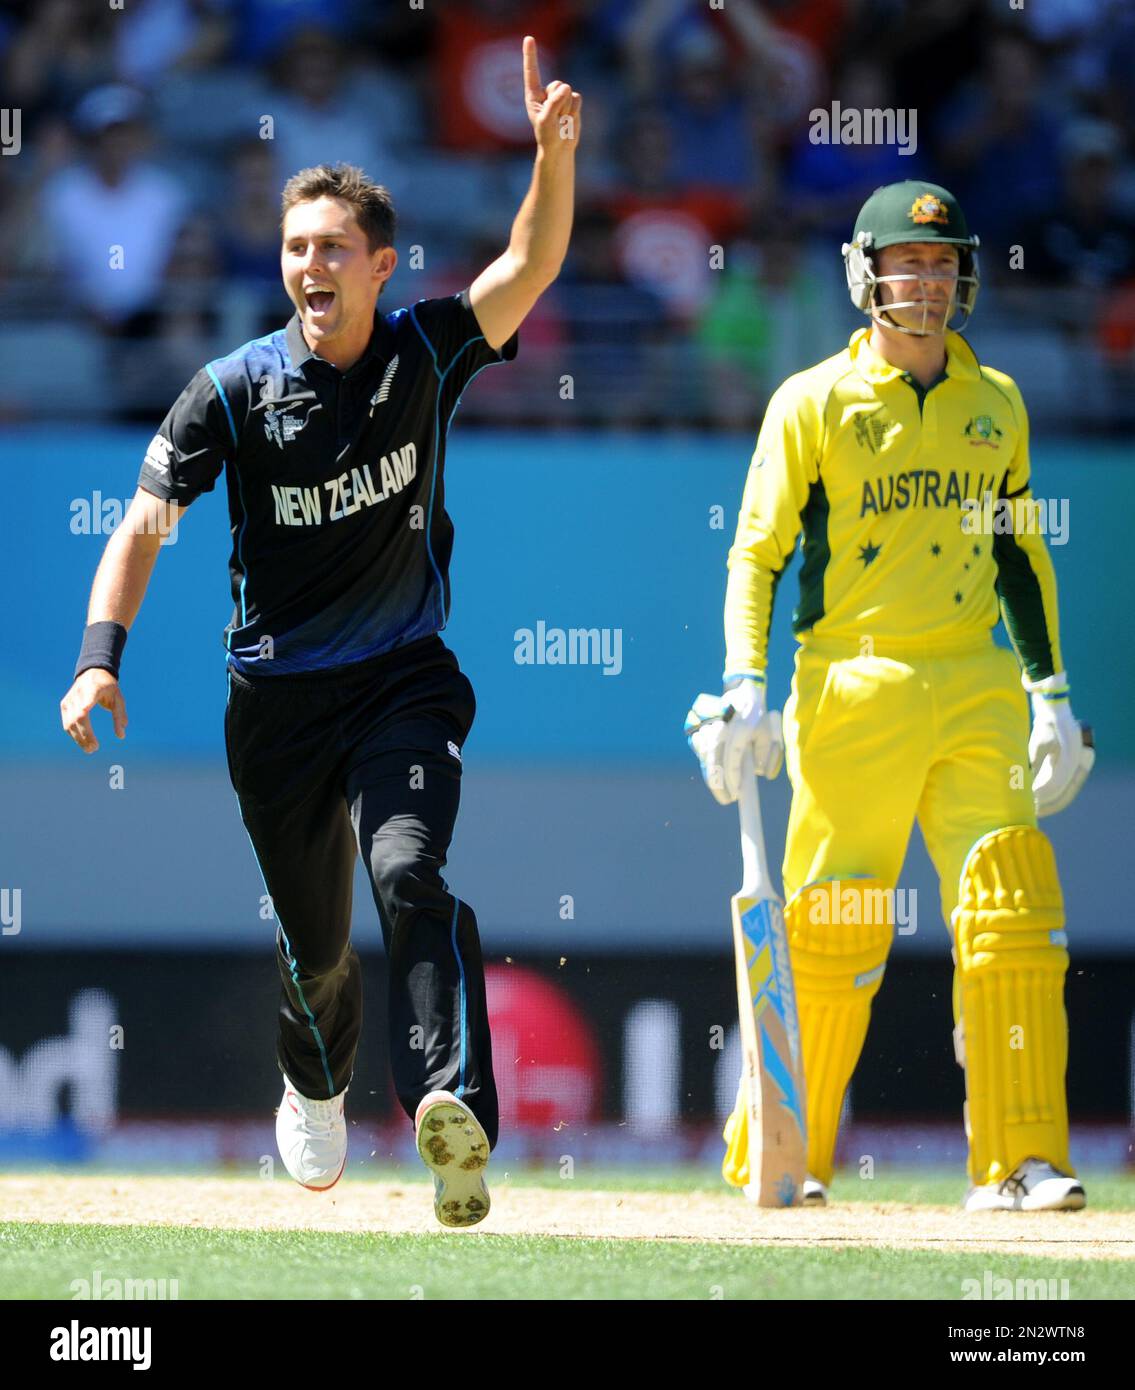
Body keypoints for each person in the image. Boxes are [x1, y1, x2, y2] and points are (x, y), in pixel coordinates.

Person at [59, 37, 581, 1229]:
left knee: (409, 872)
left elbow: (532, 261)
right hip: (279, 703)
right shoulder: (232, 391)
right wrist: (99, 661)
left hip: (402, 680)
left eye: (332, 248)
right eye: (296, 247)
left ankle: (451, 1101)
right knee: (318, 949)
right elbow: (143, 525)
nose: (309, 266)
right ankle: (314, 1077)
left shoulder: (427, 349)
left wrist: (552, 157)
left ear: (380, 266)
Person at [686, 180, 1094, 1212]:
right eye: (906, 264)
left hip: (975, 678)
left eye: (942, 263)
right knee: (832, 928)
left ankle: (1017, 1161)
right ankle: (783, 1155)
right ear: (864, 276)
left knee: (1010, 912)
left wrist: (1050, 691)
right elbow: (757, 554)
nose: (925, 279)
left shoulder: (994, 400)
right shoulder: (812, 401)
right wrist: (746, 684)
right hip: (851, 682)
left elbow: (1019, 552)